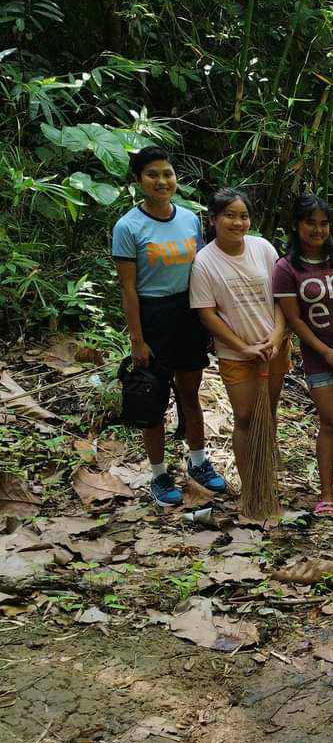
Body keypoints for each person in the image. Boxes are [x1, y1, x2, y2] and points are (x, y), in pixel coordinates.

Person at [112, 146, 226, 506]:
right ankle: (159, 475)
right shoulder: (128, 226)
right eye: (152, 175)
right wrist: (137, 339)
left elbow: (203, 270)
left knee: (190, 394)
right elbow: (128, 288)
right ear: (139, 181)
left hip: (188, 313)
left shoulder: (190, 219)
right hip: (152, 315)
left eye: (168, 174)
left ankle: (198, 463)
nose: (162, 181)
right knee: (153, 400)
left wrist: (209, 320)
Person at [272, 195, 333, 516]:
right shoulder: (285, 269)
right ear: (297, 226)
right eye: (311, 222)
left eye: (324, 223)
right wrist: (327, 352)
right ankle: (326, 493)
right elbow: (295, 320)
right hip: (318, 356)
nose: (318, 229)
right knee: (332, 420)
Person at [189, 189, 288, 488]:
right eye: (229, 215)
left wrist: (277, 336)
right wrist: (244, 347)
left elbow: (282, 298)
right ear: (214, 219)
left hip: (273, 348)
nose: (237, 222)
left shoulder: (263, 248)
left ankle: (267, 481)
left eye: (243, 216)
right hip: (236, 354)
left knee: (268, 414)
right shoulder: (204, 262)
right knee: (245, 417)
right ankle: (251, 487)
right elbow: (207, 315)